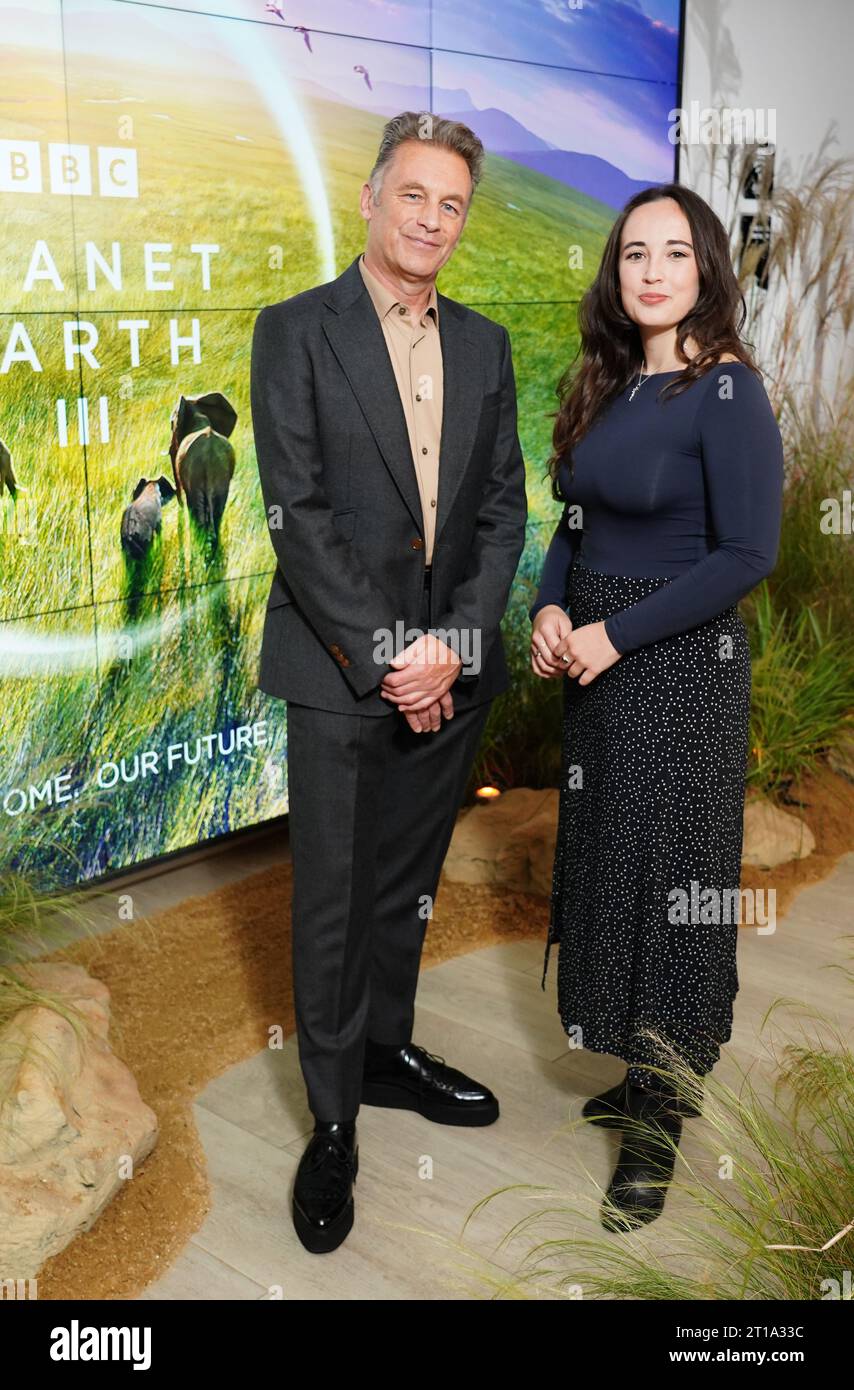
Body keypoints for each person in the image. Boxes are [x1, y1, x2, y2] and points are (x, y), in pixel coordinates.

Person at [250, 111, 527, 1254]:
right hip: (335, 673)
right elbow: (297, 521)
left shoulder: (486, 341)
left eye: (451, 202)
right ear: (370, 198)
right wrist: (387, 660)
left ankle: (384, 1050)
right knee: (330, 897)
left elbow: (504, 510)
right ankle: (330, 1120)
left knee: (405, 883)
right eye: (412, 194)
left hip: (447, 676)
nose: (430, 218)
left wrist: (449, 651)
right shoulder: (295, 332)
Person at [529, 183, 784, 1231]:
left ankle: (660, 1115)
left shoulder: (725, 392)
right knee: (610, 867)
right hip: (594, 669)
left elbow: (745, 554)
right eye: (633, 252)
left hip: (677, 671)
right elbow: (570, 523)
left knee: (669, 883)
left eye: (672, 253)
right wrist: (549, 608)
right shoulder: (605, 382)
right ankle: (638, 1074)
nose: (649, 270)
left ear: (703, 269)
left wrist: (610, 633)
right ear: (615, 269)